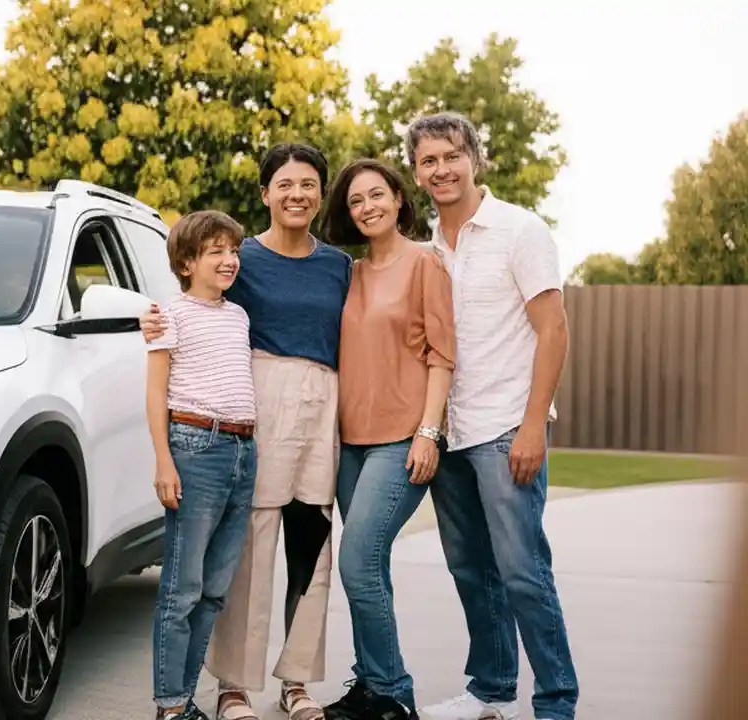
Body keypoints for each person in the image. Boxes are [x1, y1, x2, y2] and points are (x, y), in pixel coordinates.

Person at [142, 143, 352, 720]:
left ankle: (298, 681)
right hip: (254, 407)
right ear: (265, 193)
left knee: (312, 545)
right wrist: (151, 318)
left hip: (320, 408)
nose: (297, 194)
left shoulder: (337, 264)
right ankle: (233, 685)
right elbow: (192, 305)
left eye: (308, 184)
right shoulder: (242, 259)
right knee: (249, 554)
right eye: (285, 184)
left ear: (320, 193)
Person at [403, 112, 579, 720]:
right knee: (472, 571)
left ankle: (556, 703)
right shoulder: (428, 250)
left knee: (524, 572)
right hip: (449, 431)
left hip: (506, 427)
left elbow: (553, 330)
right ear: (417, 172)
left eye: (451, 155)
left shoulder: (519, 230)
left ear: (474, 158)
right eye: (428, 160)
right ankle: (490, 692)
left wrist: (533, 425)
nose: (441, 169)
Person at [316, 159, 456, 720]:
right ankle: (372, 684)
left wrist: (429, 431)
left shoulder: (427, 263)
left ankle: (394, 692)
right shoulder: (347, 274)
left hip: (403, 438)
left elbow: (443, 355)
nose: (367, 206)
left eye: (377, 194)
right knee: (369, 566)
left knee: (356, 560)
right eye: (355, 201)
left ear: (399, 199)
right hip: (350, 442)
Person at [147, 209, 259, 720]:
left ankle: (184, 701)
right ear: (187, 262)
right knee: (182, 588)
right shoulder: (169, 314)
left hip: (242, 450)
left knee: (214, 589)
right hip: (195, 449)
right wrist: (164, 462)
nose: (229, 259)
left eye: (232, 250)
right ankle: (170, 706)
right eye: (215, 251)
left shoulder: (238, 315)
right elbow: (156, 394)